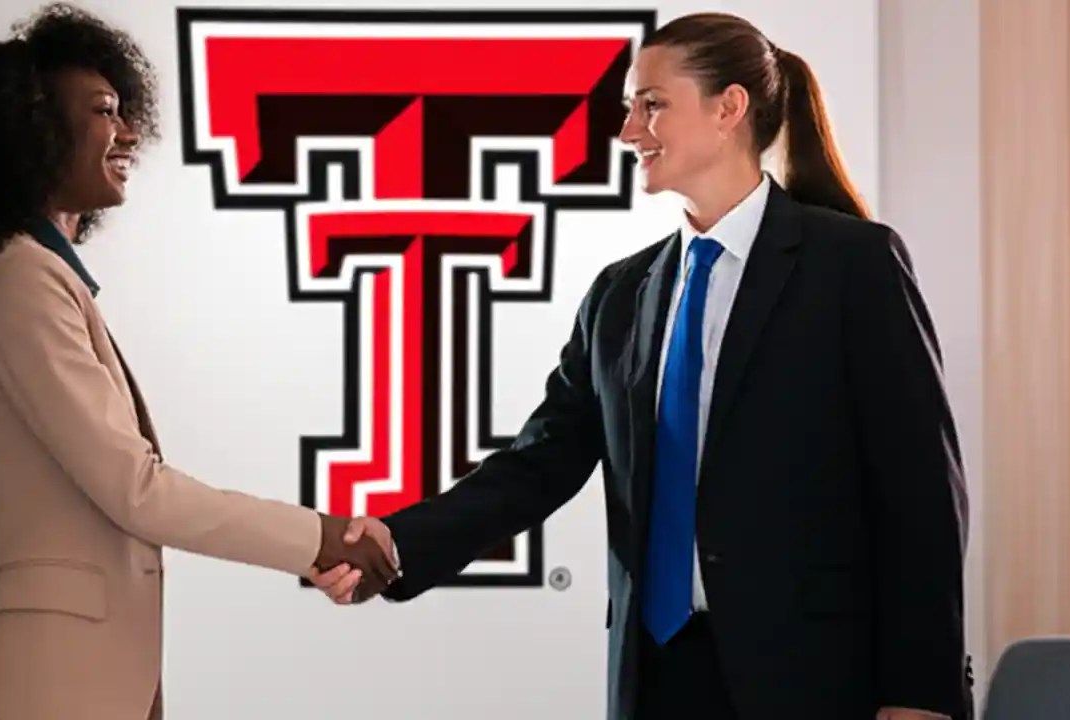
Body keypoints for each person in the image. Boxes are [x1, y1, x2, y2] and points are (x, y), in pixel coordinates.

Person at [309, 11, 972, 720]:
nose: (628, 130)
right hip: (656, 677)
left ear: (729, 108)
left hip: (812, 682)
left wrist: (919, 696)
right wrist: (399, 539)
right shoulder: (621, 295)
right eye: (630, 108)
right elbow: (538, 465)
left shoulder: (851, 266)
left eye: (651, 104)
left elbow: (921, 497)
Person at [0, 5, 395, 719]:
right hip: (33, 684)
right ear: (33, 133)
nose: (129, 132)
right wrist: (319, 537)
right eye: (104, 111)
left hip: (72, 675)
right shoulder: (16, 279)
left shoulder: (26, 276)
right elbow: (135, 489)